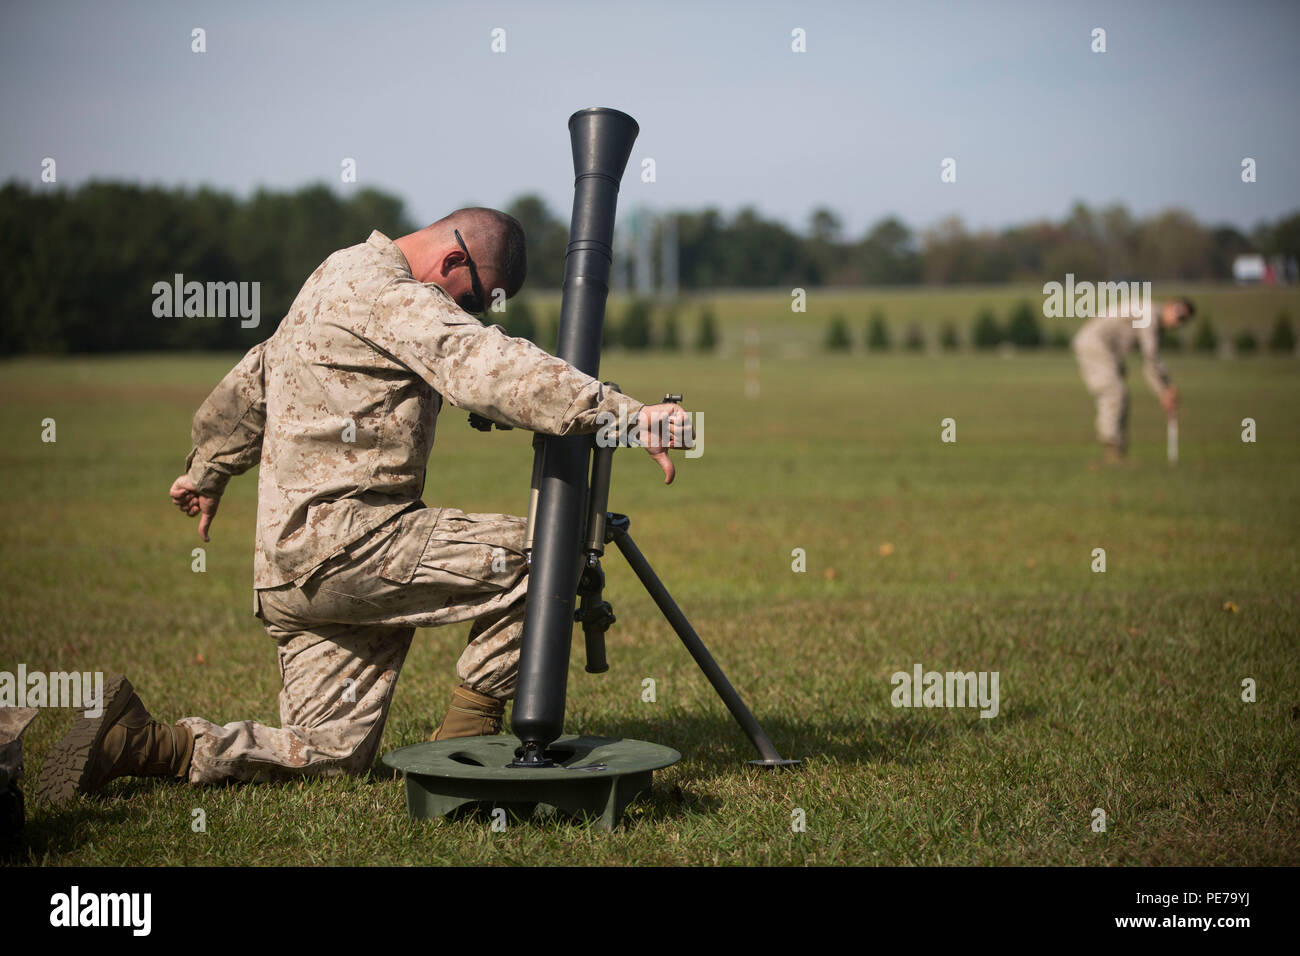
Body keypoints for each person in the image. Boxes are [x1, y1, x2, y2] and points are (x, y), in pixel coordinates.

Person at [38, 208, 688, 801]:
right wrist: (629, 417)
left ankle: (141, 743)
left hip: (291, 572)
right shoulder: (393, 294)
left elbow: (258, 373)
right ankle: (463, 752)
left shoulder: (336, 273)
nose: (464, 317)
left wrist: (209, 469)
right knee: (546, 554)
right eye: (466, 303)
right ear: (453, 262)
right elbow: (487, 366)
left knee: (327, 755)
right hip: (356, 547)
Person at [1072, 296, 1194, 463]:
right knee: (1114, 393)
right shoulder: (1149, 315)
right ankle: (1112, 452)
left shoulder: (1152, 318)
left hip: (1107, 349)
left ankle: (1117, 450)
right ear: (1169, 305)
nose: (1177, 322)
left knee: (1120, 394)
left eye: (1183, 320)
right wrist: (1165, 389)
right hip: (1095, 344)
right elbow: (1151, 356)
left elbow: (1149, 365)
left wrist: (1163, 391)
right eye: (1178, 315)